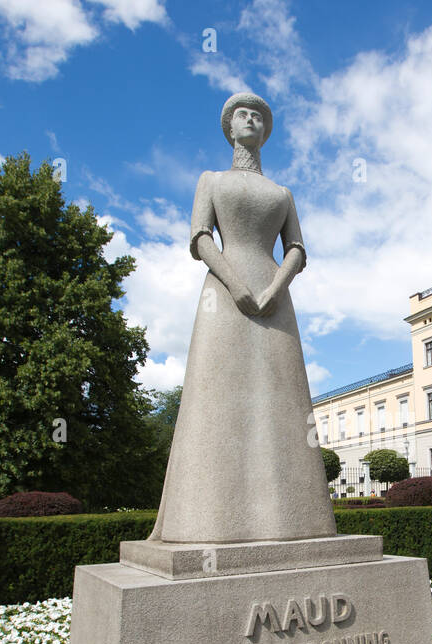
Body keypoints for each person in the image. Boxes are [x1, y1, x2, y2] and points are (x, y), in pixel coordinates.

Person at [149, 92, 334, 543]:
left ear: (265, 133)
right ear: (230, 128)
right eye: (242, 115)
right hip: (224, 293)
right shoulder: (211, 180)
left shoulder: (282, 193)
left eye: (258, 117)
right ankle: (203, 519)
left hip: (274, 298)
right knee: (214, 394)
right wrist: (235, 283)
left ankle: (293, 521)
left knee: (281, 399)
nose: (250, 120)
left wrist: (273, 288)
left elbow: (297, 250)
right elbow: (200, 238)